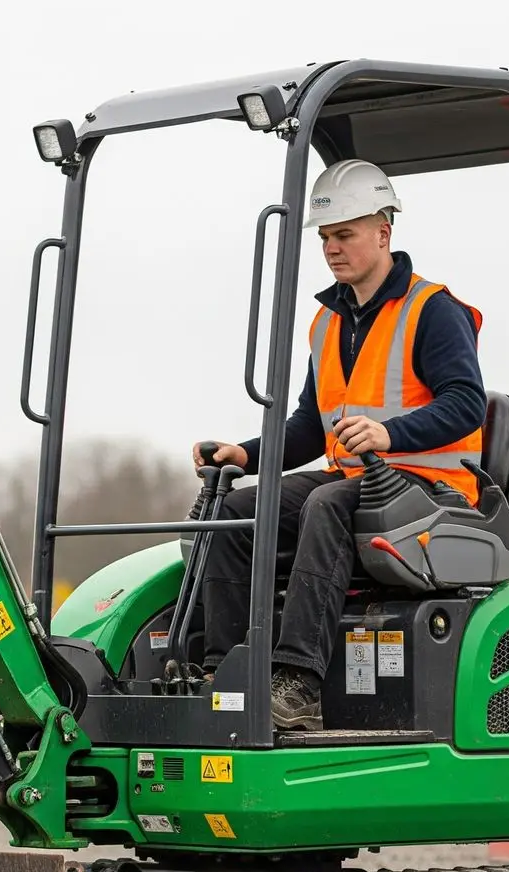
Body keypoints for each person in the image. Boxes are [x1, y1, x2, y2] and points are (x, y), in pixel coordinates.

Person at [191, 159, 487, 731]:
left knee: (327, 504)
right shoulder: (328, 324)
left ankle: (298, 683)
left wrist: (389, 433)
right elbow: (311, 425)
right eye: (325, 237)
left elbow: (466, 403)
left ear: (383, 232)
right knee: (236, 511)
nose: (331, 248)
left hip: (432, 488)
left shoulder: (433, 311)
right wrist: (245, 454)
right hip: (359, 479)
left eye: (344, 234)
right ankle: (223, 672)